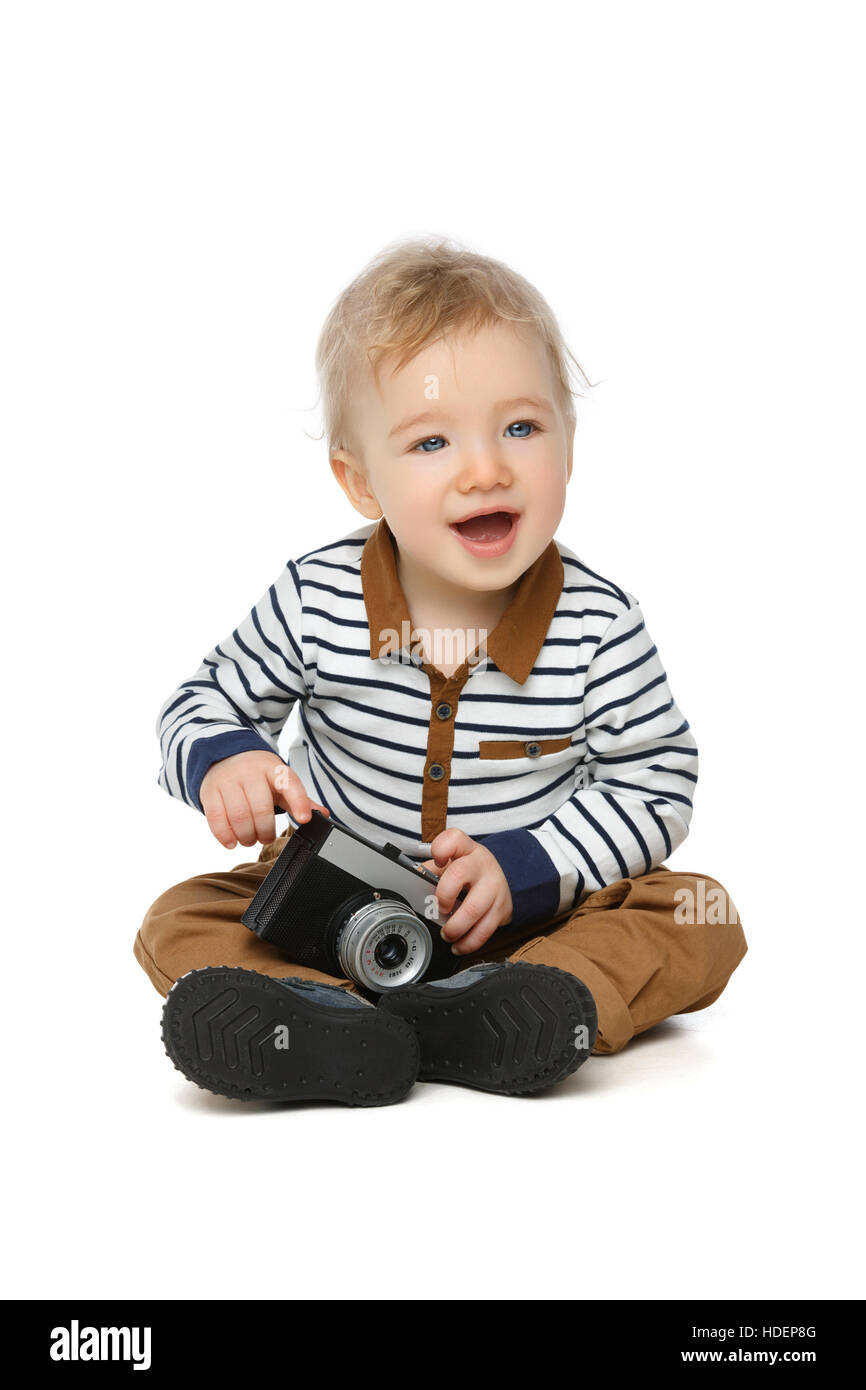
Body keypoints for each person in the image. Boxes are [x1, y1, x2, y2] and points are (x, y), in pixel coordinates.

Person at [137, 235, 747, 1106]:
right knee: (180, 916)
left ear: (569, 449)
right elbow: (202, 701)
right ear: (360, 481)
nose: (485, 468)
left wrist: (530, 866)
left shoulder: (597, 623)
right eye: (431, 442)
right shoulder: (318, 598)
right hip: (340, 913)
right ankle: (326, 1017)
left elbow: (656, 785)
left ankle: (525, 1005)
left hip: (536, 922)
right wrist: (225, 759)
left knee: (701, 915)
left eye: (522, 428)